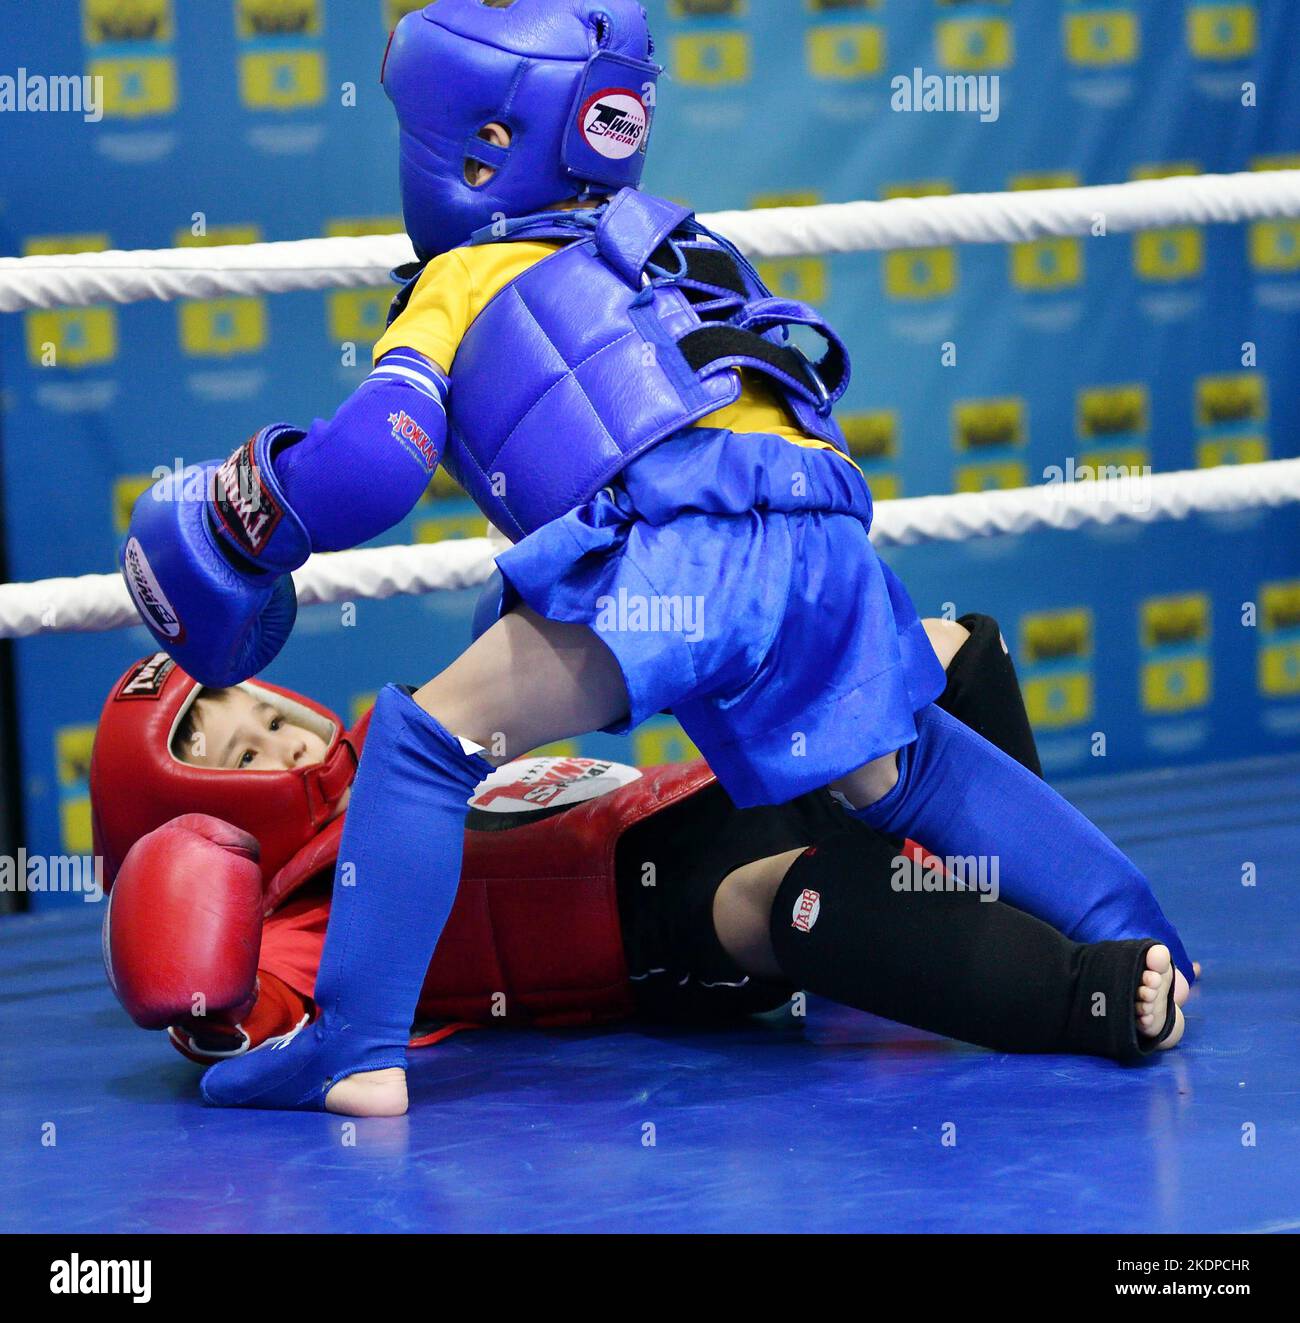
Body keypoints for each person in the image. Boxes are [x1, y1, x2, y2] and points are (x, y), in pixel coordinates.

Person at [120, 1, 1193, 1114]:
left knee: (422, 741)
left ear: (478, 145)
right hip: (816, 521)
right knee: (902, 765)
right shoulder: (671, 236)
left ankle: (355, 1052)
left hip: (681, 547)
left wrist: (251, 504)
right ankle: (1131, 930)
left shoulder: (464, 279)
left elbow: (376, 465)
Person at [92, 613, 1181, 1088]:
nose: (281, 734)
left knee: (951, 653)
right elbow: (229, 1022)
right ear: (198, 816)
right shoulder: (287, 931)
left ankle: (1031, 909)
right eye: (241, 753)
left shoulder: (398, 744)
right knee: (792, 900)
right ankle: (1081, 995)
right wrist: (184, 930)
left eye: (259, 712)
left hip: (707, 794)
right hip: (659, 920)